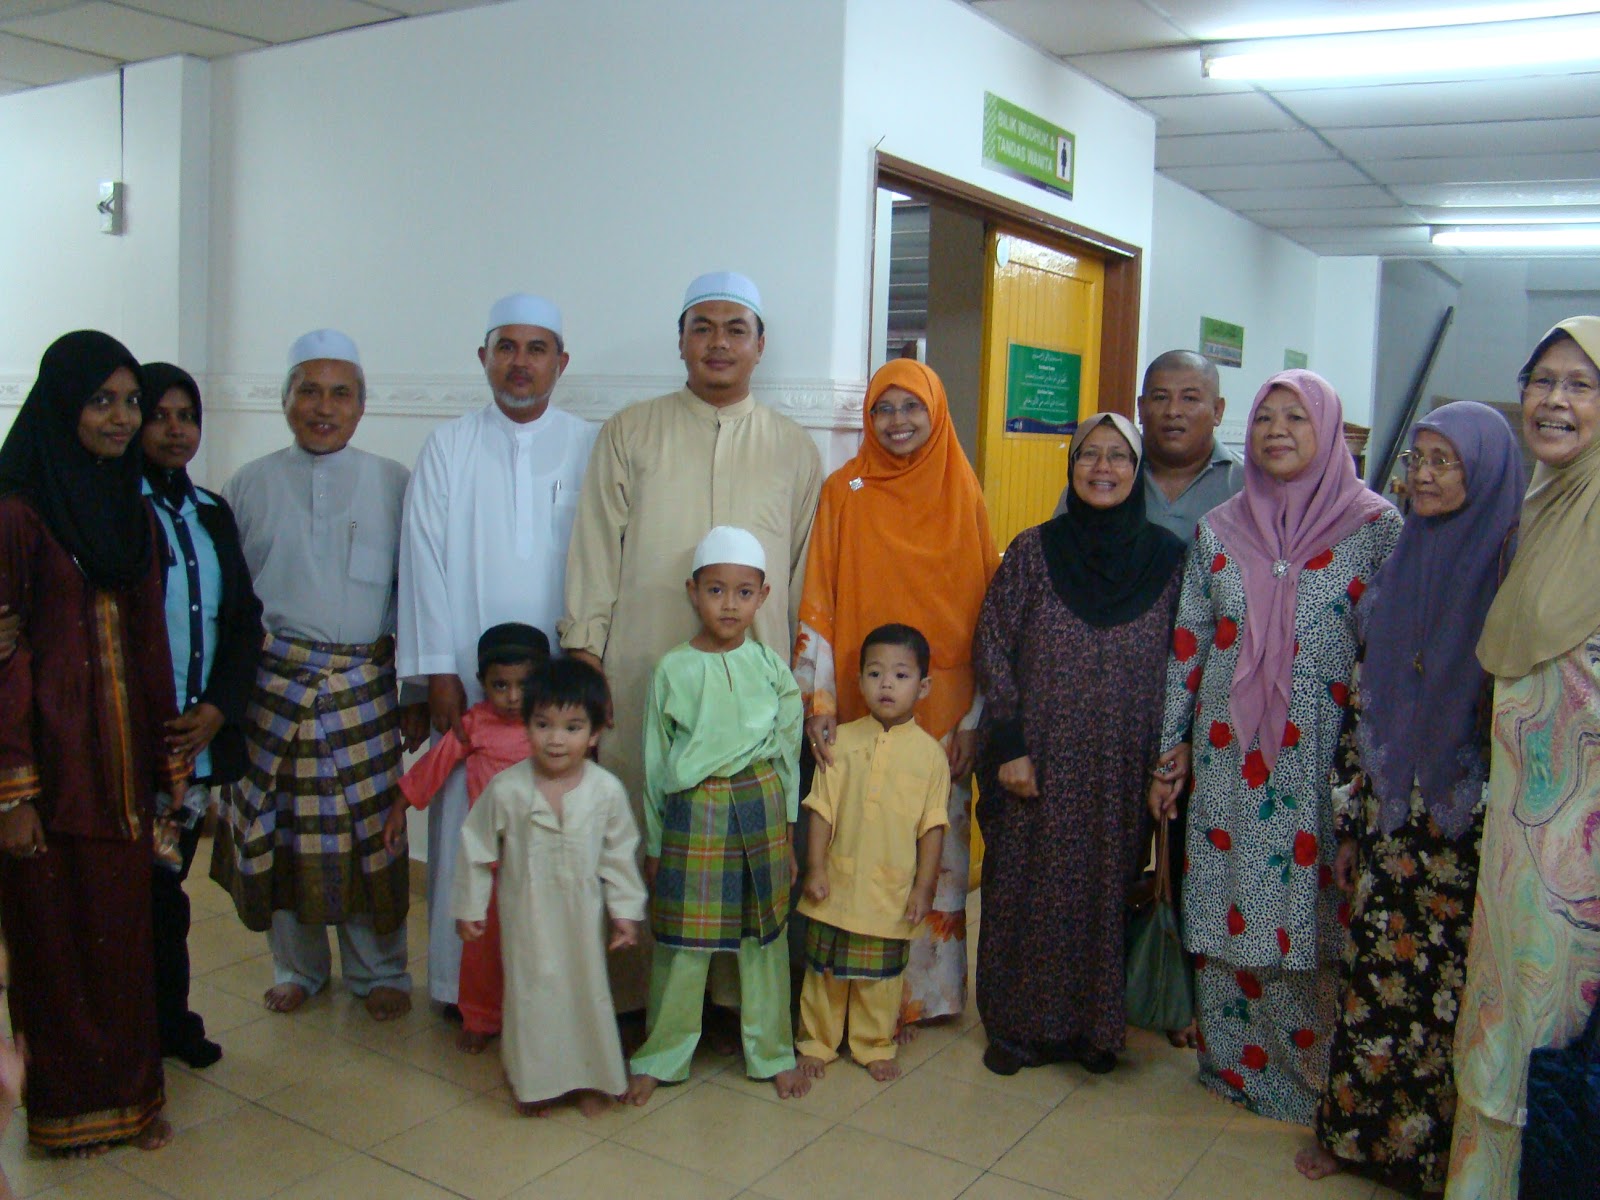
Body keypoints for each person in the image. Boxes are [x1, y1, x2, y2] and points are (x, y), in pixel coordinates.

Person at [561, 271, 823, 1011]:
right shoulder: (631, 431)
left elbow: (805, 571)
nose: (718, 343)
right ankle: (633, 999)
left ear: (760, 345)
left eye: (735, 328)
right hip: (644, 674)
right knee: (641, 835)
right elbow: (592, 548)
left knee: (748, 839)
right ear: (680, 340)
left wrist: (802, 685)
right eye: (701, 327)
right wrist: (586, 653)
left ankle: (739, 1008)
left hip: (753, 690)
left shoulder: (792, 448)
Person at [1149, 369, 1402, 1125]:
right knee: (1226, 903)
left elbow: (1391, 658)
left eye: (1297, 417)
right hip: (1228, 756)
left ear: (1328, 431)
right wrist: (1170, 752)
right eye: (1265, 418)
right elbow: (1187, 645)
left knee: (1311, 912)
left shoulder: (1375, 529)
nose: (1278, 431)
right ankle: (1231, 1067)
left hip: (1322, 761)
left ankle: (1308, 1076)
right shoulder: (1221, 529)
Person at [1293, 403, 1524, 1191]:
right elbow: (1370, 690)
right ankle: (1354, 1132)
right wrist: (1356, 810)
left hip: (1473, 819)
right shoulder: (1403, 552)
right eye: (1417, 458)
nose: (1422, 475)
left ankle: (1434, 1155)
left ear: (1484, 471)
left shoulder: (1512, 564)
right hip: (1392, 808)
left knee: (1452, 990)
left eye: (1444, 461)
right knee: (1370, 975)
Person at [0, 331, 187, 1154]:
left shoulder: (128, 510)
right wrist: (13, 790)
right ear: (60, 405)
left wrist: (166, 761)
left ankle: (134, 1100)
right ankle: (65, 1111)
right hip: (49, 768)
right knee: (51, 944)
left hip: (118, 770)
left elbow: (151, 643)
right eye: (100, 401)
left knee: (123, 940)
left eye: (130, 402)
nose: (122, 419)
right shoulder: (16, 513)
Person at [213, 329, 422, 1021]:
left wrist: (415, 691)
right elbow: (230, 603)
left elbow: (417, 595)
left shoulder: (396, 482)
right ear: (285, 401)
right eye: (309, 390)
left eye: (340, 393)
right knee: (284, 833)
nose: (323, 406)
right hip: (275, 685)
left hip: (364, 686)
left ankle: (379, 971)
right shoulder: (247, 485)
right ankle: (296, 968)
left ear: (363, 406)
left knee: (370, 834)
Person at [398, 293, 596, 1017]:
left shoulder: (589, 443)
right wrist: (439, 672)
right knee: (465, 835)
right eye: (505, 347)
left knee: (555, 837)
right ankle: (459, 985)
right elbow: (422, 560)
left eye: (536, 347)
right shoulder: (447, 446)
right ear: (483, 357)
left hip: (556, 696)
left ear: (561, 362)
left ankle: (543, 991)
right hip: (470, 683)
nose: (521, 362)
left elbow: (603, 559)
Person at [975, 412, 1186, 1076]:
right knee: (1021, 888)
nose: (1102, 468)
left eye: (1118, 457)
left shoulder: (1169, 559)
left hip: (1121, 763)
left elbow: (1188, 661)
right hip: (1034, 758)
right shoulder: (1035, 551)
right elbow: (992, 646)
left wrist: (1169, 757)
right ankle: (1016, 1028)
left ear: (1137, 468)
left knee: (1104, 889)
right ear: (1071, 470)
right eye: (1089, 456)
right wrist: (1009, 744)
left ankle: (1095, 1029)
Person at [795, 359, 996, 1034]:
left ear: (936, 413)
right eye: (886, 407)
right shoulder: (844, 490)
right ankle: (854, 994)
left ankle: (928, 997)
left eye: (913, 407)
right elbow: (818, 602)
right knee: (861, 853)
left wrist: (972, 717)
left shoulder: (962, 493)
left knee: (931, 851)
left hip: (939, 718)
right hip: (858, 710)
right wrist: (818, 704)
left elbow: (981, 621)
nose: (899, 421)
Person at [1447, 316, 1600, 1198]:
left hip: (1578, 853)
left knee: (1549, 1048)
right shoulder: (1544, 505)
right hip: (1519, 837)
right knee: (1500, 1028)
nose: (1555, 400)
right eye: (1543, 380)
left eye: (1582, 384)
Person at [624, 526, 810, 1102]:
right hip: (694, 813)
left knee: (765, 944)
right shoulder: (672, 669)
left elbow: (786, 755)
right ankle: (662, 1053)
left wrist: (788, 834)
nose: (730, 605)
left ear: (764, 594)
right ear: (692, 592)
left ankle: (773, 1050)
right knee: (683, 943)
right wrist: (655, 845)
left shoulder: (774, 670)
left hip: (759, 810)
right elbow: (657, 765)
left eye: (743, 592)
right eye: (715, 590)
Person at [138, 362, 265, 1070]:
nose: (174, 429)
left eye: (187, 415)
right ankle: (127, 1035)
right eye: (158, 414)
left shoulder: (211, 512)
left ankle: (169, 1024)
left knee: (166, 889)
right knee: (123, 897)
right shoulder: (106, 510)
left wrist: (219, 707)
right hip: (126, 742)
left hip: (194, 747)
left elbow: (242, 623)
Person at [453, 657, 646, 1118]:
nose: (556, 739)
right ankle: (535, 1084)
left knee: (586, 992)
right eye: (544, 724)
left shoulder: (605, 791)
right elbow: (476, 847)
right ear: (527, 726)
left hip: (582, 918)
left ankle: (591, 1079)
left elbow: (619, 854)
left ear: (594, 733)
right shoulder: (508, 789)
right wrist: (470, 907)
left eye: (573, 726)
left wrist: (624, 911)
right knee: (533, 996)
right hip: (528, 917)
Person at [384, 622, 548, 1051]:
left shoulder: (554, 726)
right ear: (482, 684)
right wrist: (401, 806)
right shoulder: (474, 724)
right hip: (490, 861)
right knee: (481, 947)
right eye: (500, 685)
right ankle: (480, 1017)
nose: (513, 697)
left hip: (546, 861)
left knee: (543, 945)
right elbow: (434, 767)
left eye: (524, 685)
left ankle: (539, 1021)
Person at [795, 623, 949, 1082]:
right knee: (823, 971)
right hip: (837, 883)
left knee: (880, 978)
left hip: (891, 890)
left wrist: (924, 887)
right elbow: (821, 809)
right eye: (876, 673)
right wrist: (816, 866)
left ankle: (873, 1043)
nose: (886, 684)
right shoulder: (840, 741)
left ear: (923, 687)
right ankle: (816, 1041)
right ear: (859, 680)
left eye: (900, 676)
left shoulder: (930, 756)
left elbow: (932, 827)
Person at [1054, 349, 1244, 543]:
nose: (1173, 411)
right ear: (1141, 408)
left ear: (1218, 410)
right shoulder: (1103, 475)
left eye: (1189, 398)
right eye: (1160, 397)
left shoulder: (1248, 482)